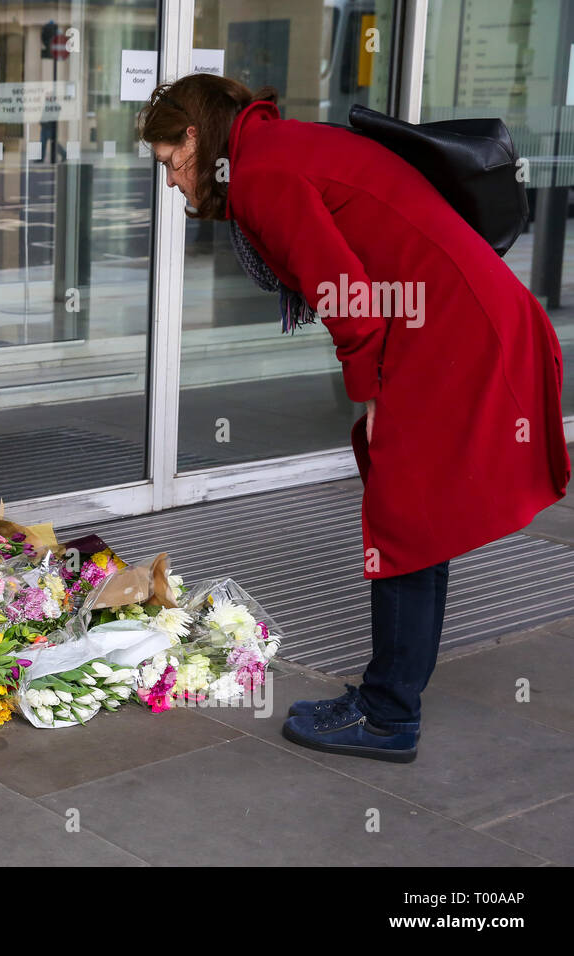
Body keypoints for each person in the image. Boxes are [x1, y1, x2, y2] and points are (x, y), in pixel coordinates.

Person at [139, 73, 570, 762]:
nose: (170, 182)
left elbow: (349, 297)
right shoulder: (272, 149)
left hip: (453, 330)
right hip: (461, 318)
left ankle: (386, 715)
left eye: (168, 162)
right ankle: (388, 698)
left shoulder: (263, 176)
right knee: (417, 520)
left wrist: (370, 396)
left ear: (193, 136)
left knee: (402, 521)